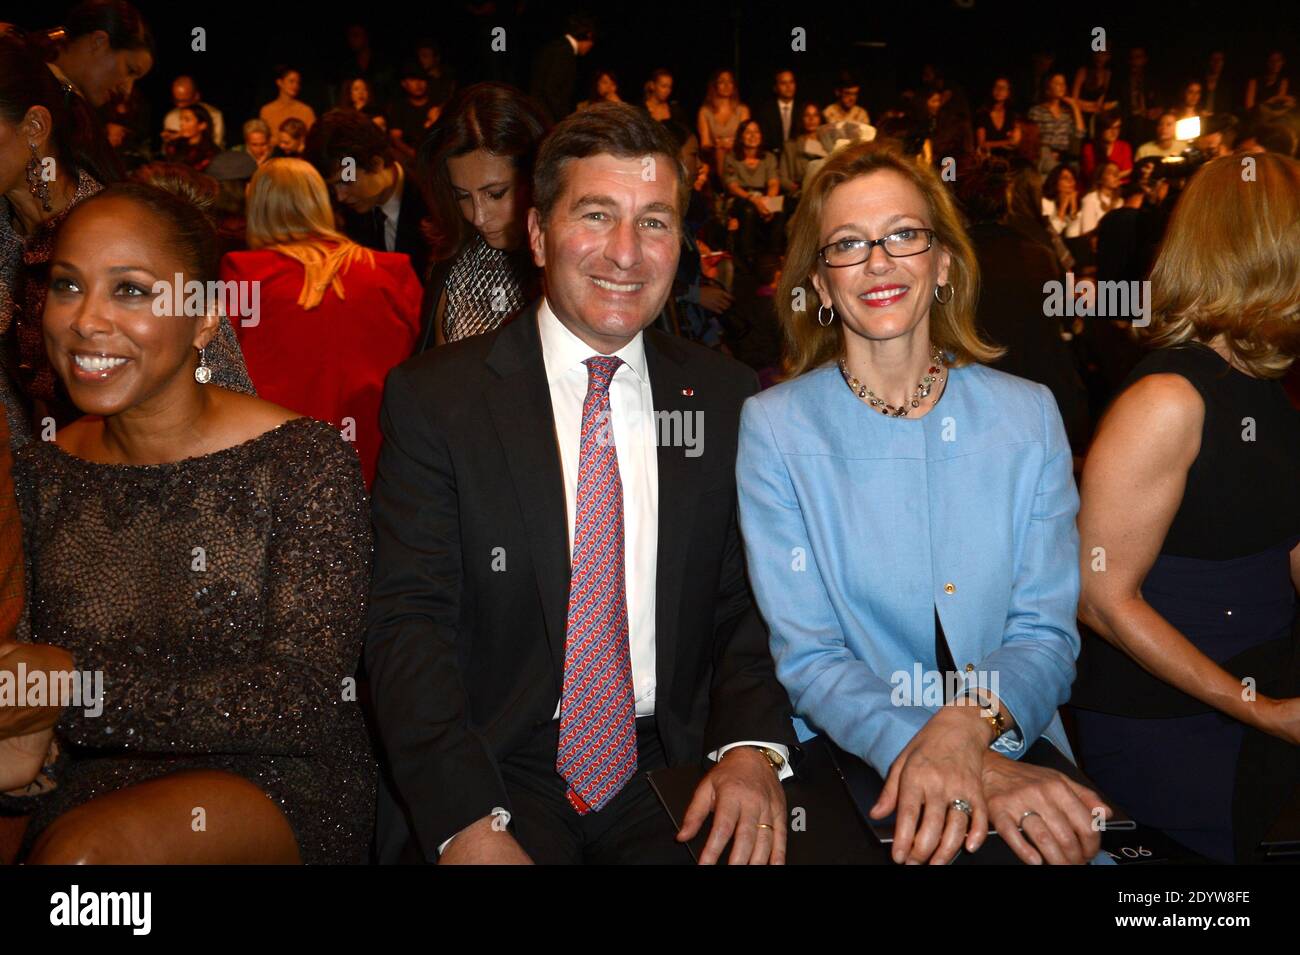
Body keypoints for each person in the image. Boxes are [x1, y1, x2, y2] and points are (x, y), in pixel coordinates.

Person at [366, 102, 798, 865]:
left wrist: (750, 748)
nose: (626, 253)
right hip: (497, 762)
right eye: (597, 215)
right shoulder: (438, 400)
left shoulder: (725, 396)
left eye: (655, 222)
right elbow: (409, 624)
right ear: (536, 234)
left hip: (675, 765)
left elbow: (746, 602)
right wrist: (464, 819)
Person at [737, 141, 1108, 866]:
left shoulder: (1028, 415)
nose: (878, 262)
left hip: (1018, 734)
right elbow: (812, 659)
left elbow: (1046, 635)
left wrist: (968, 733)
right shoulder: (775, 427)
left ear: (941, 262)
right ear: (817, 280)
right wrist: (965, 761)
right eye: (847, 244)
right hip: (859, 762)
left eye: (903, 235)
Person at [0, 180, 375, 863]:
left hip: (273, 782)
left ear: (204, 318)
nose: (86, 321)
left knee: (87, 862)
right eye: (66, 286)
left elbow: (300, 700)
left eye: (131, 290)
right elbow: (25, 729)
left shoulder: (299, 460)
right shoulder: (38, 474)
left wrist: (74, 688)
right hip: (91, 785)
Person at [1071, 153, 1300, 865]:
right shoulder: (1168, 399)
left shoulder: (1261, 383)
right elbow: (1100, 599)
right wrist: (1259, 709)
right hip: (1175, 722)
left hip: (1259, 690)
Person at [223, 158, 422, 487]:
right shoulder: (391, 271)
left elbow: (221, 374)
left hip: (278, 465)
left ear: (255, 206)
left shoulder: (245, 274)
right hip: (381, 460)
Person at [414, 82, 546, 349]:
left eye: (495, 193)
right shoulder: (452, 261)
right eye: (463, 195)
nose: (478, 216)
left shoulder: (571, 263)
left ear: (535, 179)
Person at [308, 108, 433, 280]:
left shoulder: (432, 197)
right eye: (332, 187)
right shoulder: (340, 210)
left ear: (376, 164)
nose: (340, 196)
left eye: (345, 181)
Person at [39, 0, 153, 109]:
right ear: (99, 41)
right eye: (130, 69)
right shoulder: (30, 85)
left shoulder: (72, 108)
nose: (127, 90)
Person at [723, 119, 783, 260]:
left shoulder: (769, 157)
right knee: (749, 210)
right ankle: (748, 255)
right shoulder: (732, 157)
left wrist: (768, 201)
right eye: (748, 132)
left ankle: (774, 257)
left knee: (779, 210)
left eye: (756, 132)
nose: (752, 136)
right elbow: (732, 186)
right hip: (741, 198)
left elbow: (774, 183)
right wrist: (754, 199)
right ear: (741, 136)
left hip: (764, 196)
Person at [529, 13, 595, 124]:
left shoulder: (555, 46)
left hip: (538, 113)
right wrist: (565, 119)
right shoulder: (564, 52)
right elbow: (552, 90)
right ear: (588, 35)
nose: (590, 48)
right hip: (547, 116)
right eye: (591, 43)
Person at [697, 69, 749, 184]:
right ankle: (725, 186)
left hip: (738, 151)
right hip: (715, 154)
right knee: (720, 152)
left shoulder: (742, 110)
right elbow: (705, 143)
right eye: (722, 82)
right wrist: (719, 145)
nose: (726, 85)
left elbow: (746, 137)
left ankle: (730, 186)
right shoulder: (705, 111)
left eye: (730, 82)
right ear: (715, 85)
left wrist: (732, 144)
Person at [1027, 73, 1084, 172]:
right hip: (1044, 155)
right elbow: (1031, 139)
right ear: (1048, 87)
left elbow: (1079, 134)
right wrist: (1048, 153)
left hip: (1064, 157)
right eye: (1057, 83)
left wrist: (1075, 106)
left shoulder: (1067, 113)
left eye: (1063, 83)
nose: (1061, 86)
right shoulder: (1037, 111)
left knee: (1074, 164)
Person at [388, 62, 435, 165]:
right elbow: (395, 137)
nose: (418, 84)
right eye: (413, 80)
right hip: (409, 155)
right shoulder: (399, 107)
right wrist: (412, 153)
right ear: (404, 84)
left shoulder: (435, 105)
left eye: (422, 79)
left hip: (433, 153)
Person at [161, 75, 224, 148]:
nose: (179, 105)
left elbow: (216, 148)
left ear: (196, 97)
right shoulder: (170, 118)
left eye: (184, 101)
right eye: (176, 100)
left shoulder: (214, 116)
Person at [259, 65, 316, 138]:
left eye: (298, 82)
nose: (295, 85)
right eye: (291, 81)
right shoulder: (266, 110)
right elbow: (263, 138)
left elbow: (313, 137)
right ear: (279, 82)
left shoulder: (306, 111)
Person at [1080, 109, 1132, 185]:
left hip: (1121, 186)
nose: (1114, 132)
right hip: (1097, 187)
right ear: (1101, 129)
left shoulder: (1124, 146)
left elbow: (1128, 169)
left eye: (1117, 128)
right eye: (1109, 128)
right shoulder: (1089, 148)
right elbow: (1091, 174)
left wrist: (1112, 179)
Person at [162, 102, 217, 171]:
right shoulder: (175, 145)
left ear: (202, 125)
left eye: (187, 120)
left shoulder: (209, 152)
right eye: (181, 119)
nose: (182, 124)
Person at [974, 77, 1021, 157]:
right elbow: (981, 143)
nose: (999, 90)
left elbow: (1016, 140)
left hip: (1008, 159)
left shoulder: (1012, 115)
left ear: (1009, 93)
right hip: (987, 159)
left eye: (1004, 88)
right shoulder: (983, 114)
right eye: (997, 86)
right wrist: (1007, 142)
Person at [755, 69, 799, 150]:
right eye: (783, 83)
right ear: (775, 87)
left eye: (791, 82)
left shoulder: (803, 109)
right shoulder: (765, 110)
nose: (788, 86)